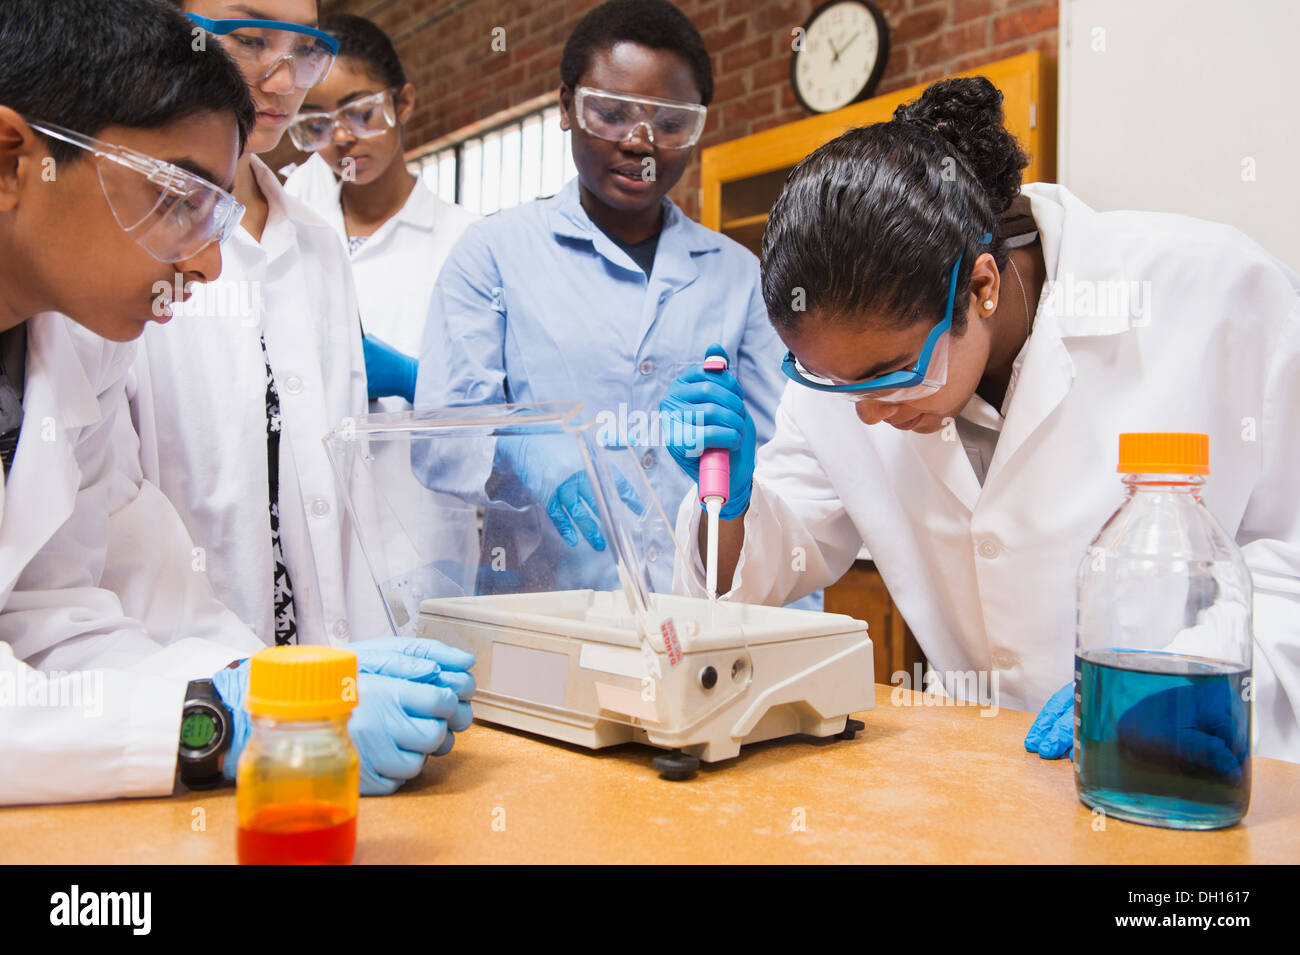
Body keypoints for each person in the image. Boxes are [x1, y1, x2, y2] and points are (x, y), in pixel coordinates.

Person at [660, 77, 1300, 763]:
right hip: (990, 773)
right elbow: (775, 562)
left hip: (1207, 767)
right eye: (836, 383)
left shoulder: (1216, 293)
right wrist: (728, 505)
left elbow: (1291, 553)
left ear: (983, 286)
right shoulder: (846, 359)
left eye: (895, 373)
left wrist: (1181, 682)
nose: (869, 410)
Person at [125, 0, 474, 790]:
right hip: (175, 707)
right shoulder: (129, 227)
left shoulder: (316, 243)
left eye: (304, 49)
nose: (283, 80)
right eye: (251, 41)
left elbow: (340, 487)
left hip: (318, 705)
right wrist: (231, 697)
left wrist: (365, 655)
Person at [414, 0, 809, 604]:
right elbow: (437, 439)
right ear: (566, 106)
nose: (640, 143)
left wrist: (789, 621)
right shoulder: (494, 252)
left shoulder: (740, 276)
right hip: (544, 614)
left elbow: (784, 462)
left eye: (670, 123)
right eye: (611, 113)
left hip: (698, 614)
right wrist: (517, 444)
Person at [284, 13, 479, 410]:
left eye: (361, 113)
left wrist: (414, 378)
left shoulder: (465, 240)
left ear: (402, 103)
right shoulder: (292, 223)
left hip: (408, 469)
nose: (341, 137)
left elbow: (495, 398)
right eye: (318, 124)